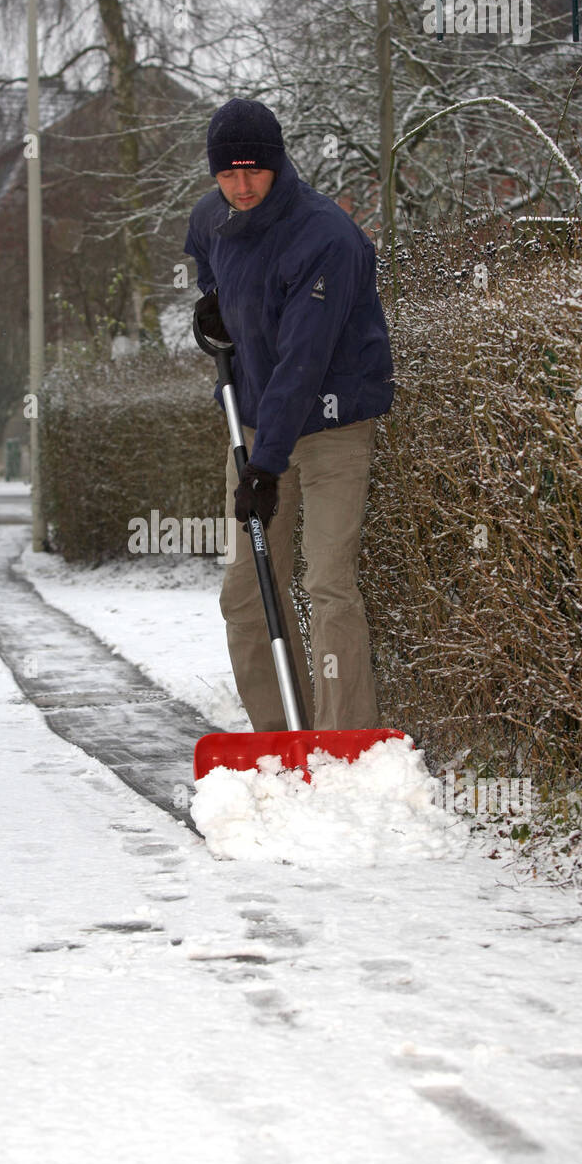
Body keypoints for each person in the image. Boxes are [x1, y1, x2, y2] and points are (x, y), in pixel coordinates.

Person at [183, 97, 394, 732]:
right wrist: (213, 304)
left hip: (331, 427)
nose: (241, 187)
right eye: (227, 173)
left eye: (254, 171)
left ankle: (344, 741)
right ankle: (280, 739)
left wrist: (264, 467)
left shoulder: (325, 237)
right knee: (245, 596)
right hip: (253, 430)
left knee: (327, 583)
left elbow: (301, 364)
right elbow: (207, 263)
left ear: (278, 164)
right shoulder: (212, 216)